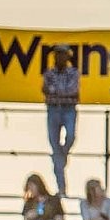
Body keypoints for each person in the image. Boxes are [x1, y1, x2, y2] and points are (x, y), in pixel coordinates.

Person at [41, 44, 79, 196]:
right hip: (54, 109)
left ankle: (61, 158)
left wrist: (54, 92)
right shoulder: (49, 73)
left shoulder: (73, 72)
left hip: (68, 109)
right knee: (54, 145)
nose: (59, 57)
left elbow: (72, 90)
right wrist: (57, 93)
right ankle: (61, 186)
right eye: (57, 54)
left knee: (70, 137)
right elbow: (46, 89)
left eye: (62, 54)